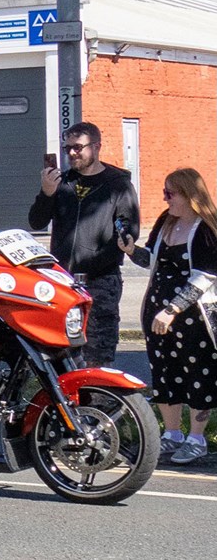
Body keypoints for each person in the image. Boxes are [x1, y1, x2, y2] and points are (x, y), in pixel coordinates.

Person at [119, 168, 217, 464]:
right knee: (164, 372)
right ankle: (172, 434)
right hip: (157, 312)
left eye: (170, 193)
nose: (165, 199)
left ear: (189, 195)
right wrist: (130, 250)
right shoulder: (166, 222)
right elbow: (153, 260)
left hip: (192, 317)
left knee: (198, 373)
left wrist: (172, 310)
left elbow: (204, 278)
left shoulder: (206, 230)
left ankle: (196, 438)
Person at [28, 122, 140, 367]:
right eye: (68, 148)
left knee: (97, 354)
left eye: (78, 148)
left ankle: (102, 404)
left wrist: (108, 251)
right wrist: (47, 192)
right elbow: (36, 221)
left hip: (100, 281)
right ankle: (68, 403)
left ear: (97, 147)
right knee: (63, 352)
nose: (71, 154)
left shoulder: (117, 183)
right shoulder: (61, 181)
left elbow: (129, 228)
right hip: (64, 282)